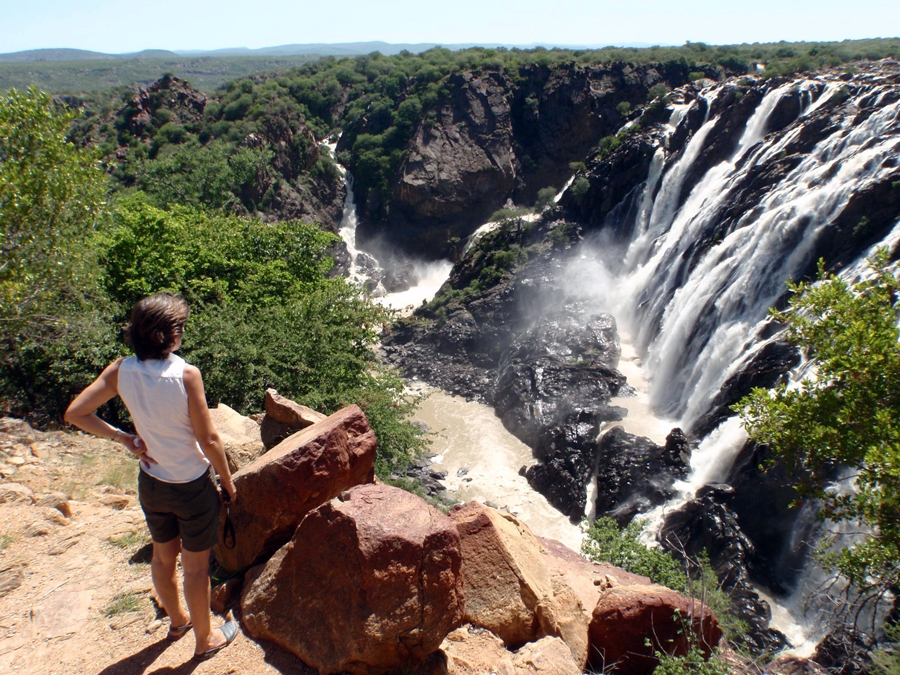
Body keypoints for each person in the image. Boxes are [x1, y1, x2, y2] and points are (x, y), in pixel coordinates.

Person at [65, 293, 239, 660]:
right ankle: (205, 641)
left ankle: (178, 621)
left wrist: (123, 438)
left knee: (162, 558)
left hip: (152, 481)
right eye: (181, 327)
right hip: (191, 486)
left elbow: (76, 413)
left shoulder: (120, 370)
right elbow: (209, 439)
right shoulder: (186, 375)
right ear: (169, 336)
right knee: (195, 569)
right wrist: (227, 481)